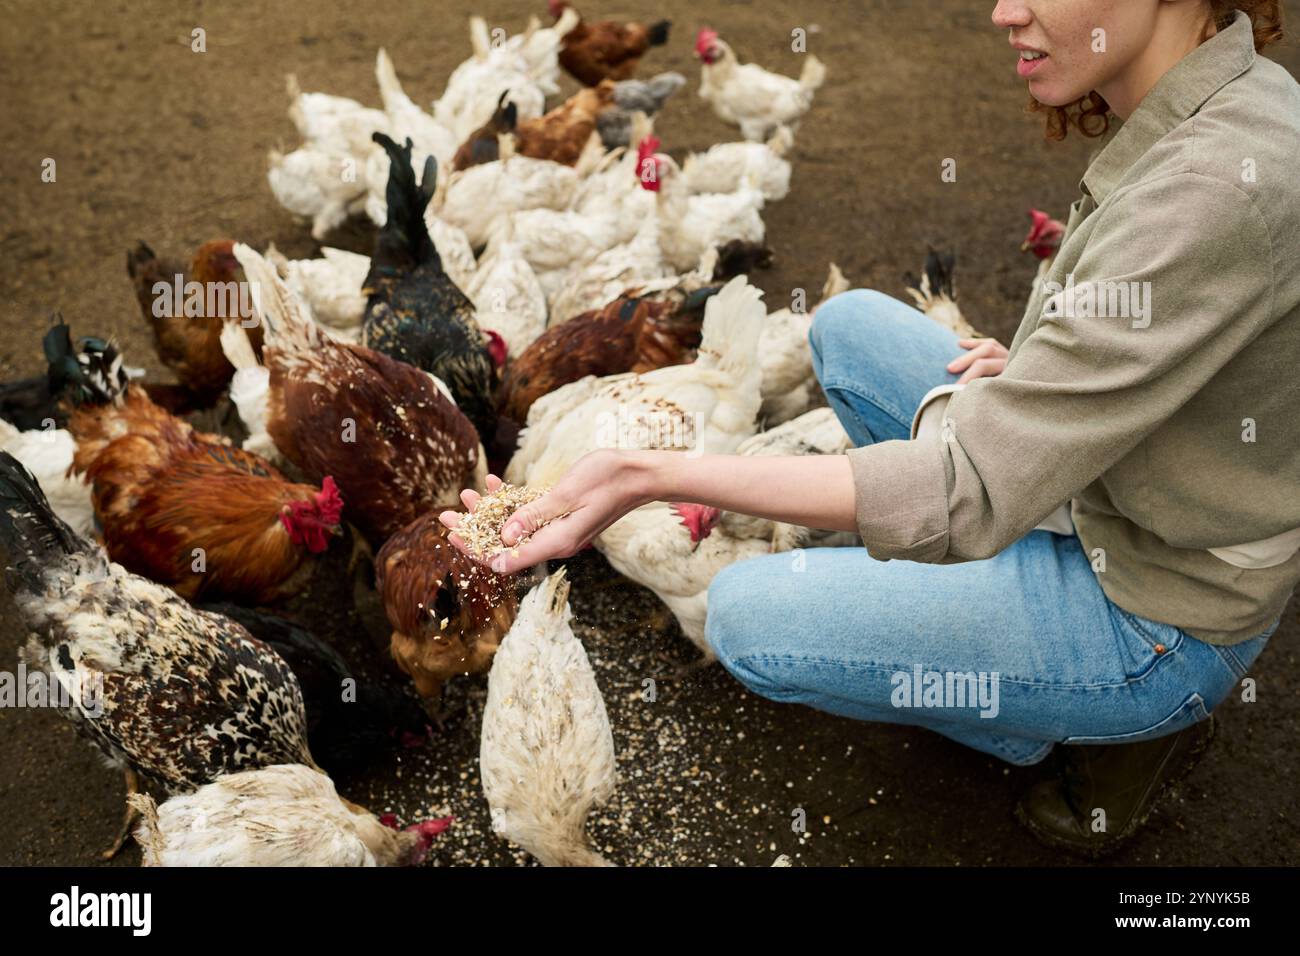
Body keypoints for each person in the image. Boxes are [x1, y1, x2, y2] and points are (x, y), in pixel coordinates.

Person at [441, 0, 1298, 857]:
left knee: (746, 618)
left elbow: (963, 494)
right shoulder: (1219, 103)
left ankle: (1112, 729)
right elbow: (1195, 328)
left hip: (1160, 602)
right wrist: (1061, 365)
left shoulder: (1212, 188)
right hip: (1114, 490)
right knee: (844, 331)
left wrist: (649, 475)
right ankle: (1013, 628)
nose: (1004, 11)